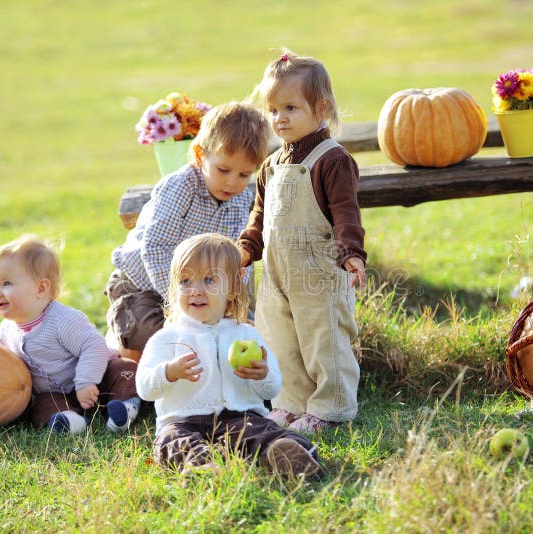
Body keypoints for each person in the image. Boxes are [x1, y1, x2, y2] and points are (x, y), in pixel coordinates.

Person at [238, 48, 367, 434]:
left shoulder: (332, 160)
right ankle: (290, 405)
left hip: (319, 274)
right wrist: (246, 248)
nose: (279, 118)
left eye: (290, 108)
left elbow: (346, 212)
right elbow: (259, 216)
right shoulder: (272, 164)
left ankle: (331, 408)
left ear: (322, 107)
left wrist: (351, 255)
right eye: (273, 110)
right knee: (282, 341)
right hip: (278, 275)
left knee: (323, 340)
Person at [136, 233, 321, 478]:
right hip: (184, 421)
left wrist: (262, 374)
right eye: (186, 281)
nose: (196, 290)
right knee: (173, 441)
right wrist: (168, 372)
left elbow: (271, 390)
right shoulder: (167, 338)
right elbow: (144, 388)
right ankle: (201, 468)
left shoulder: (246, 335)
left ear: (233, 287)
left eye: (209, 280)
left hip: (239, 418)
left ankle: (284, 455)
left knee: (264, 431)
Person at [106, 101, 271, 362]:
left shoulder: (239, 200)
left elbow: (237, 256)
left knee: (238, 331)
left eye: (244, 175)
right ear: (199, 155)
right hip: (143, 283)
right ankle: (120, 352)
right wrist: (179, 307)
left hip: (196, 290)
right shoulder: (182, 187)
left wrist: (233, 301)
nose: (232, 182)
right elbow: (156, 248)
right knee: (151, 332)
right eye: (223, 170)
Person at [0, 234, 141, 434]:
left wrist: (86, 381)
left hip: (98, 376)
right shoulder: (8, 329)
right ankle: (69, 421)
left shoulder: (63, 320)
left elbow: (93, 346)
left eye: (6, 283)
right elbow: (4, 354)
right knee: (42, 405)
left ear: (41, 288)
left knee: (125, 370)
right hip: (56, 393)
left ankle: (124, 407)